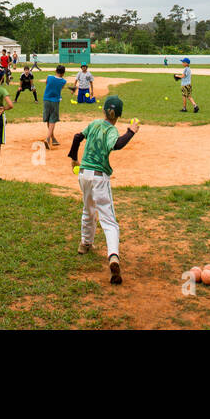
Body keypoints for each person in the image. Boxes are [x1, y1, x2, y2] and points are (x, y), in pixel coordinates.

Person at [68, 95, 141, 285]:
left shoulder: (94, 124)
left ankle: (85, 244)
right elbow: (116, 144)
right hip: (99, 177)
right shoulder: (111, 130)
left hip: (83, 173)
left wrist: (74, 158)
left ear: (104, 111)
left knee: (88, 209)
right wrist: (131, 131)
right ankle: (113, 256)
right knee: (109, 220)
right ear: (118, 115)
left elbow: (77, 137)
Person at [40, 64, 67, 148]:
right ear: (63, 73)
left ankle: (53, 138)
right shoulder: (63, 81)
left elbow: (47, 84)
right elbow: (61, 87)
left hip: (46, 99)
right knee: (53, 120)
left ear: (56, 71)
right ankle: (48, 139)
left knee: (48, 119)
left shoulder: (49, 77)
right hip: (55, 101)